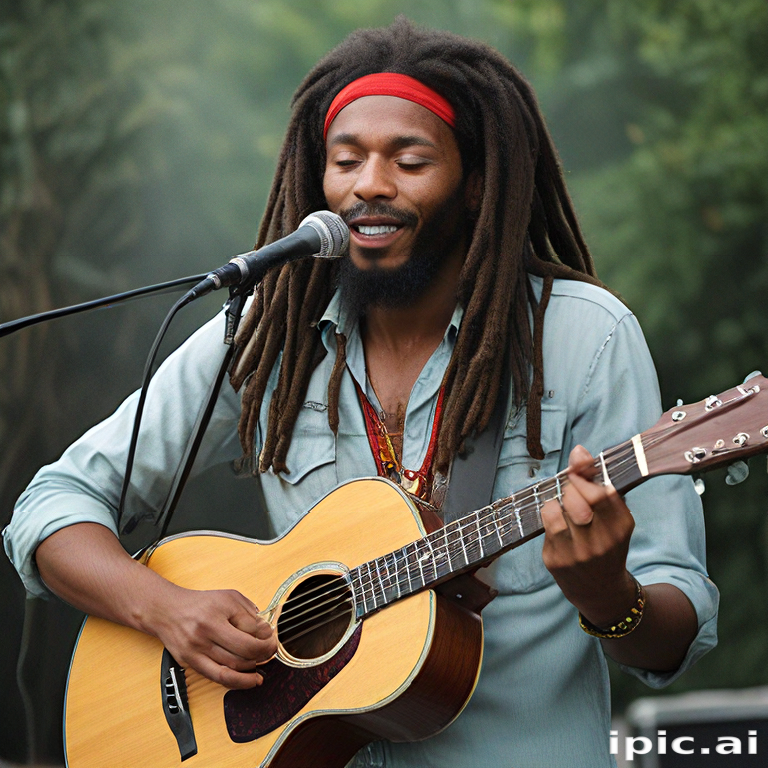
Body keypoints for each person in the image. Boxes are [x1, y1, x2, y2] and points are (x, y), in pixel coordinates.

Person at [4, 17, 718, 768]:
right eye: (346, 161)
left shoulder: (583, 339)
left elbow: (675, 632)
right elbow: (52, 508)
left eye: (409, 161)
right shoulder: (267, 334)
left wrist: (610, 596)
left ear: (477, 186)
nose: (369, 185)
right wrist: (169, 611)